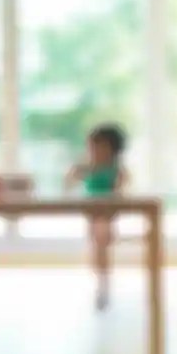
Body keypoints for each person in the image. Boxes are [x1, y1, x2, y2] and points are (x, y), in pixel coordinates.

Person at [66, 123, 128, 310]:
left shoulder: (115, 169)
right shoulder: (89, 167)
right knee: (96, 248)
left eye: (100, 147)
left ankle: (103, 285)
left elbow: (120, 189)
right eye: (92, 147)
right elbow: (70, 180)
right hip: (91, 212)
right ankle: (100, 282)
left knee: (101, 242)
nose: (95, 151)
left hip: (106, 213)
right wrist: (79, 169)